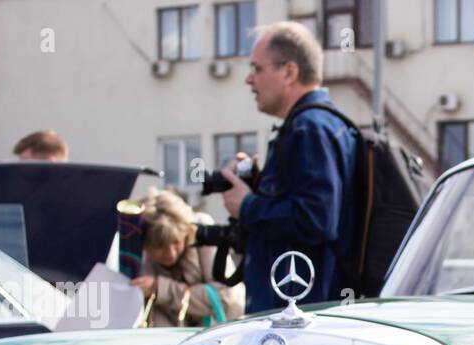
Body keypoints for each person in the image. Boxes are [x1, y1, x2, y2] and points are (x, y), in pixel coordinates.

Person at [219, 21, 358, 313]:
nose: (249, 80)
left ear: (289, 72)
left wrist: (247, 206)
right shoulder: (314, 126)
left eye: (257, 69)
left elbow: (316, 219)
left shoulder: (310, 129)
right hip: (300, 316)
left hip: (300, 322)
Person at [131, 189, 244, 327]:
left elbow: (226, 298)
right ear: (145, 245)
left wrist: (161, 289)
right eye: (160, 246)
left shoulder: (202, 231)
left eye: (176, 241)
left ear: (186, 233)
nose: (171, 253)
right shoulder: (135, 253)